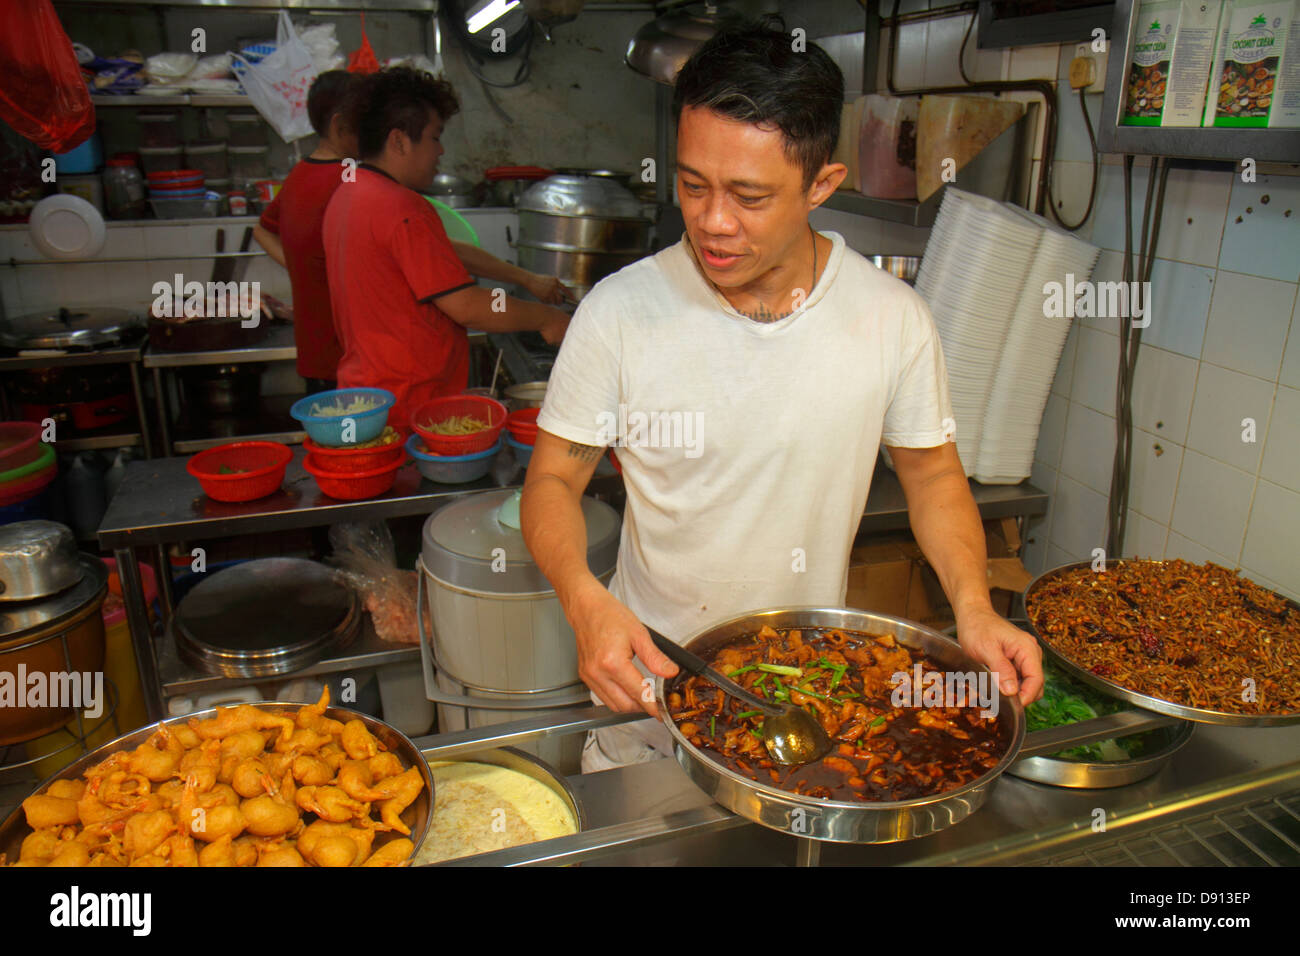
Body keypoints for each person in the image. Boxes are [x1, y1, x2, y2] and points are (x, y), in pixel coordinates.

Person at [520, 20, 1044, 772]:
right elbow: (553, 479)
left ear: (821, 185)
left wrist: (973, 607)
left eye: (749, 195)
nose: (712, 221)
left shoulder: (890, 318)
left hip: (805, 706)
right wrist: (582, 598)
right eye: (692, 184)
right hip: (650, 690)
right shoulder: (619, 312)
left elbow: (931, 475)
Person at [258, 70, 571, 397]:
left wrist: (527, 280)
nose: (440, 151)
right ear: (398, 141)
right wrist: (545, 317)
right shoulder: (402, 207)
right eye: (435, 137)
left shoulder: (350, 193)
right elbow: (466, 305)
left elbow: (441, 253)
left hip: (368, 389)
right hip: (410, 401)